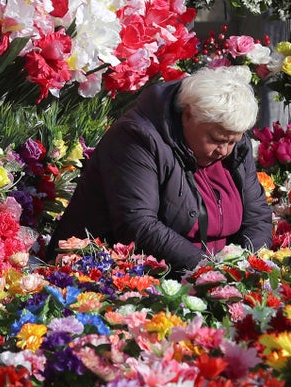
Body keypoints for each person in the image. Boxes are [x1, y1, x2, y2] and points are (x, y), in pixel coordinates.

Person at [47, 66, 273, 272]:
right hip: (123, 274)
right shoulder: (137, 138)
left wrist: (249, 266)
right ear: (187, 116)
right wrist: (209, 271)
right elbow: (138, 225)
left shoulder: (233, 142)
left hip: (210, 273)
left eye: (232, 141)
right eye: (215, 139)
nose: (224, 151)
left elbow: (257, 215)